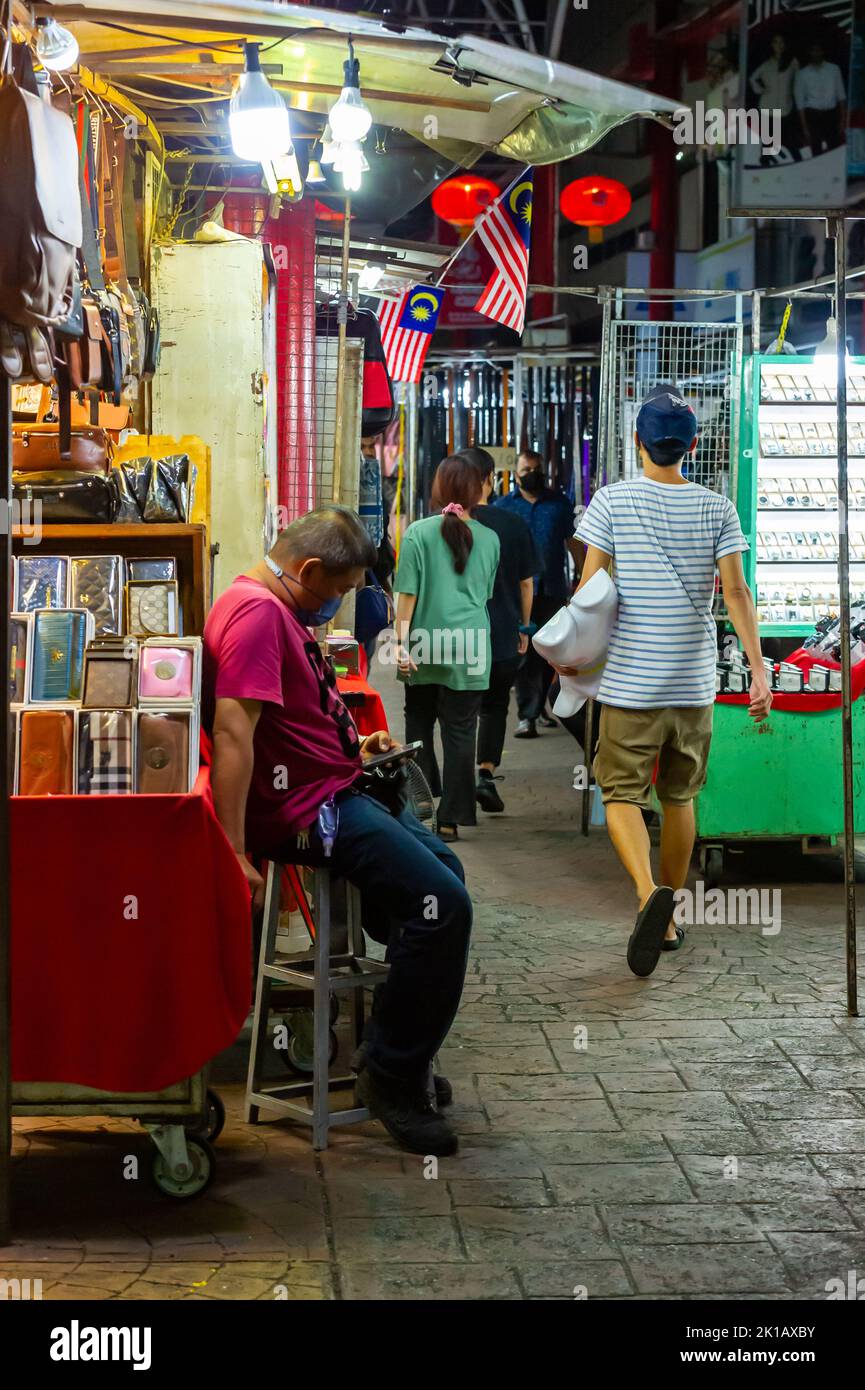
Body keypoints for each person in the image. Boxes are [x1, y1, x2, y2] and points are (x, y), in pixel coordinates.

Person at [203, 505, 472, 1157]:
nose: (337, 603)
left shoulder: (276, 608)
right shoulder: (257, 614)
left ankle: (391, 1045)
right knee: (443, 908)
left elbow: (291, 715)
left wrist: (354, 746)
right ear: (309, 569)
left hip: (338, 786)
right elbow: (233, 730)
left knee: (443, 884)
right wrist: (235, 849)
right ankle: (390, 1075)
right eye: (338, 590)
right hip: (306, 810)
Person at [559, 386, 772, 979]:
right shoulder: (717, 507)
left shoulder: (611, 500)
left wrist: (571, 657)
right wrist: (756, 669)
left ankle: (647, 892)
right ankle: (671, 914)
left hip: (632, 681)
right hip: (694, 681)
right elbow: (735, 593)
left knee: (622, 793)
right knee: (681, 796)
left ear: (636, 442)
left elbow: (589, 591)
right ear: (693, 446)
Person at [393, 455, 499, 842]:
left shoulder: (418, 533)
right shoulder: (490, 538)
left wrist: (400, 643)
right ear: (476, 489)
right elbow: (484, 594)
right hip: (470, 646)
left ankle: (421, 802)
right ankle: (452, 818)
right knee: (460, 733)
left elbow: (407, 595)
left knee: (418, 724)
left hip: (424, 644)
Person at [459, 446, 537, 814]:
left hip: (456, 638)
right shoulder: (512, 524)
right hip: (502, 632)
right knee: (494, 705)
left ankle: (454, 797)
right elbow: (526, 584)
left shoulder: (442, 524)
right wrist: (524, 627)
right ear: (489, 480)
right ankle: (485, 773)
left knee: (459, 712)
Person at [495, 448, 575, 738]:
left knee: (547, 651)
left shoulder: (559, 505)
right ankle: (526, 715)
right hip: (516, 591)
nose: (532, 474)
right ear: (515, 474)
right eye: (526, 469)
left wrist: (583, 578)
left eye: (536, 469)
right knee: (524, 650)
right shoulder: (504, 506)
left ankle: (538, 707)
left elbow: (572, 542)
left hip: (552, 587)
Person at [750, 32, 799, 153]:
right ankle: (767, 165)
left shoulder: (792, 62)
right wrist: (761, 90)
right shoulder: (766, 63)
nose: (779, 45)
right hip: (768, 107)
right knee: (768, 144)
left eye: (781, 42)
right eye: (776, 42)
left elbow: (798, 81)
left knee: (789, 141)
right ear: (772, 45)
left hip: (785, 107)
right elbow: (752, 78)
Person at [795, 42, 846, 154]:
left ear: (823, 52)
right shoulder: (802, 74)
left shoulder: (834, 69)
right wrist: (805, 128)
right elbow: (800, 104)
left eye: (818, 50)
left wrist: (843, 120)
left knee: (834, 150)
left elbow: (841, 95)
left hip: (831, 115)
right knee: (816, 151)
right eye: (813, 50)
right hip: (813, 116)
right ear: (810, 53)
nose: (816, 53)